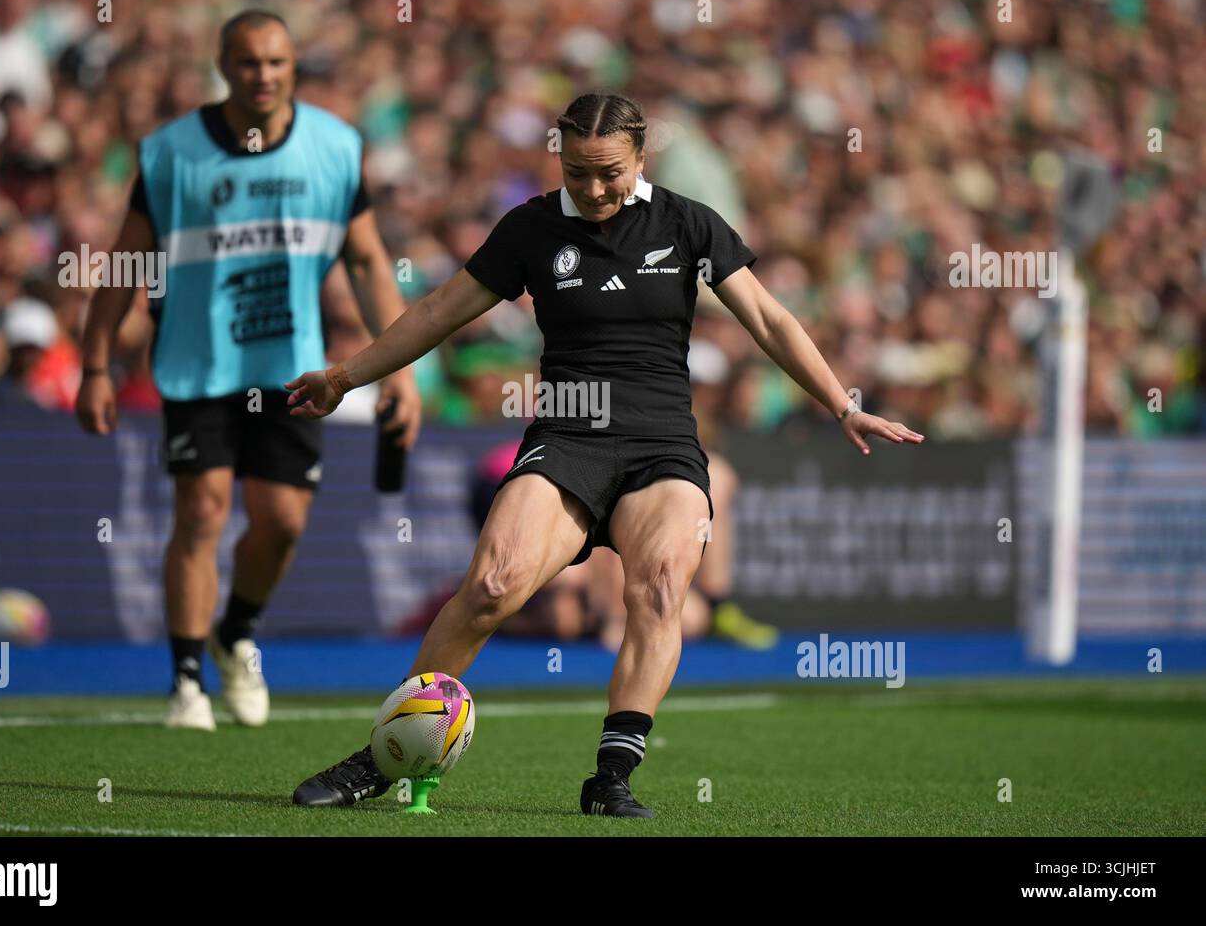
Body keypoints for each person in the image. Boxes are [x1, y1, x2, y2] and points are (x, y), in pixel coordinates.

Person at [284, 92, 922, 817]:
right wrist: (345, 376)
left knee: (658, 587)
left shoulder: (688, 223)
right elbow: (435, 311)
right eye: (577, 171)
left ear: (640, 157)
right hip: (567, 439)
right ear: (557, 155)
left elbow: (771, 320)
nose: (592, 189)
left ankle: (611, 777)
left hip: (663, 446)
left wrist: (841, 403)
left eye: (609, 173)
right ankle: (387, 754)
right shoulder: (529, 228)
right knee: (492, 585)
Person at [74, 11, 421, 731]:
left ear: (293, 66)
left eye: (275, 62)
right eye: (247, 63)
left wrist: (401, 371)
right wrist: (96, 363)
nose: (262, 76)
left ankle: (236, 632)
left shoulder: (335, 147)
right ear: (223, 66)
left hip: (292, 369)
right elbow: (127, 260)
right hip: (198, 366)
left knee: (284, 523)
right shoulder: (173, 153)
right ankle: (187, 682)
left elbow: (365, 262)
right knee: (200, 512)